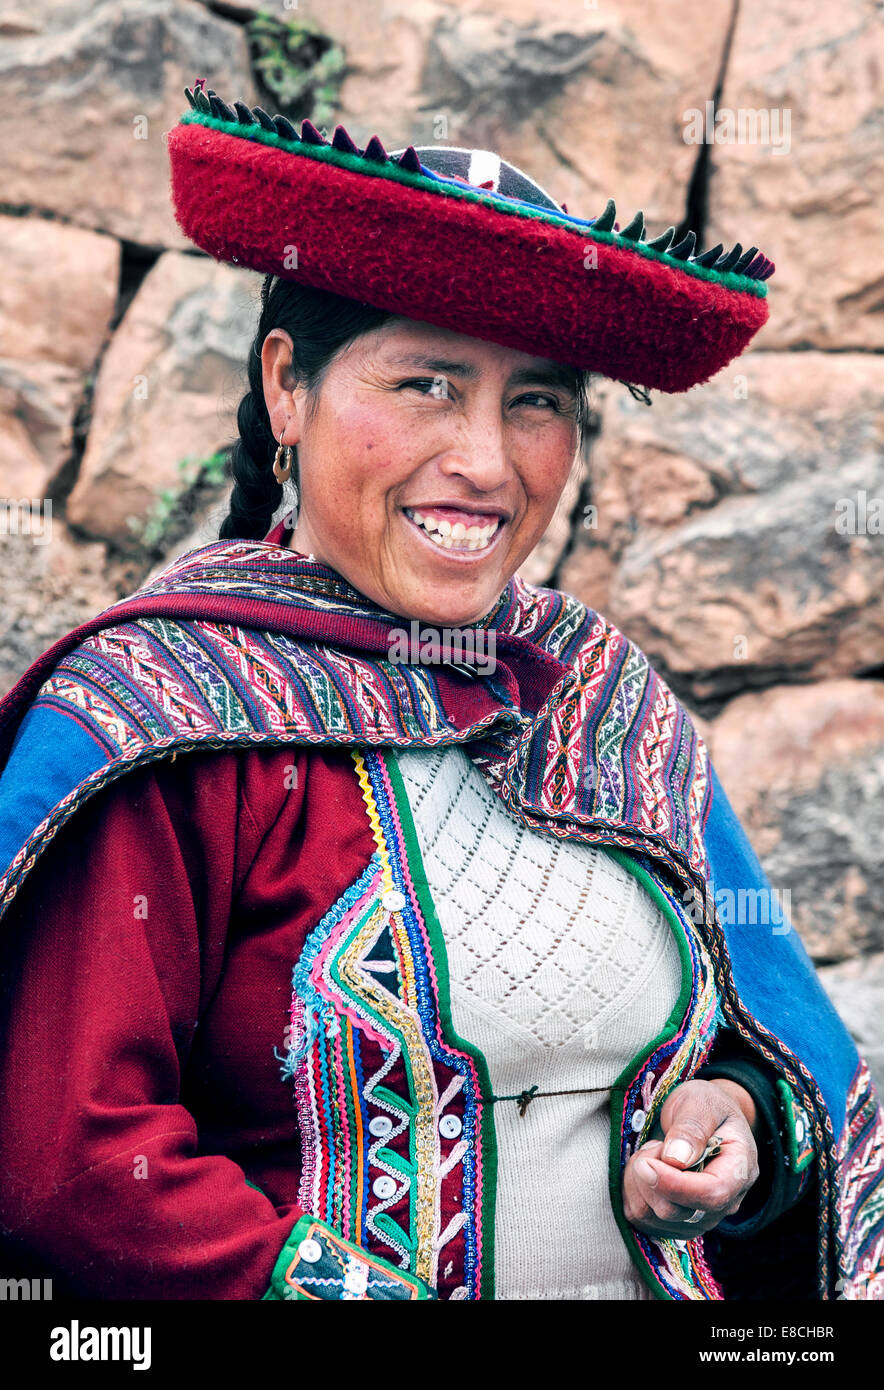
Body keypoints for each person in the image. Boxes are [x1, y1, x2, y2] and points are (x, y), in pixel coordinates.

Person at [0, 82, 880, 1302]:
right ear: (286, 388)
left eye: (536, 401)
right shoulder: (169, 720)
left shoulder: (596, 696)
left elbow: (777, 1039)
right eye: (426, 383)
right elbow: (74, 1164)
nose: (484, 460)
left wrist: (733, 1121)